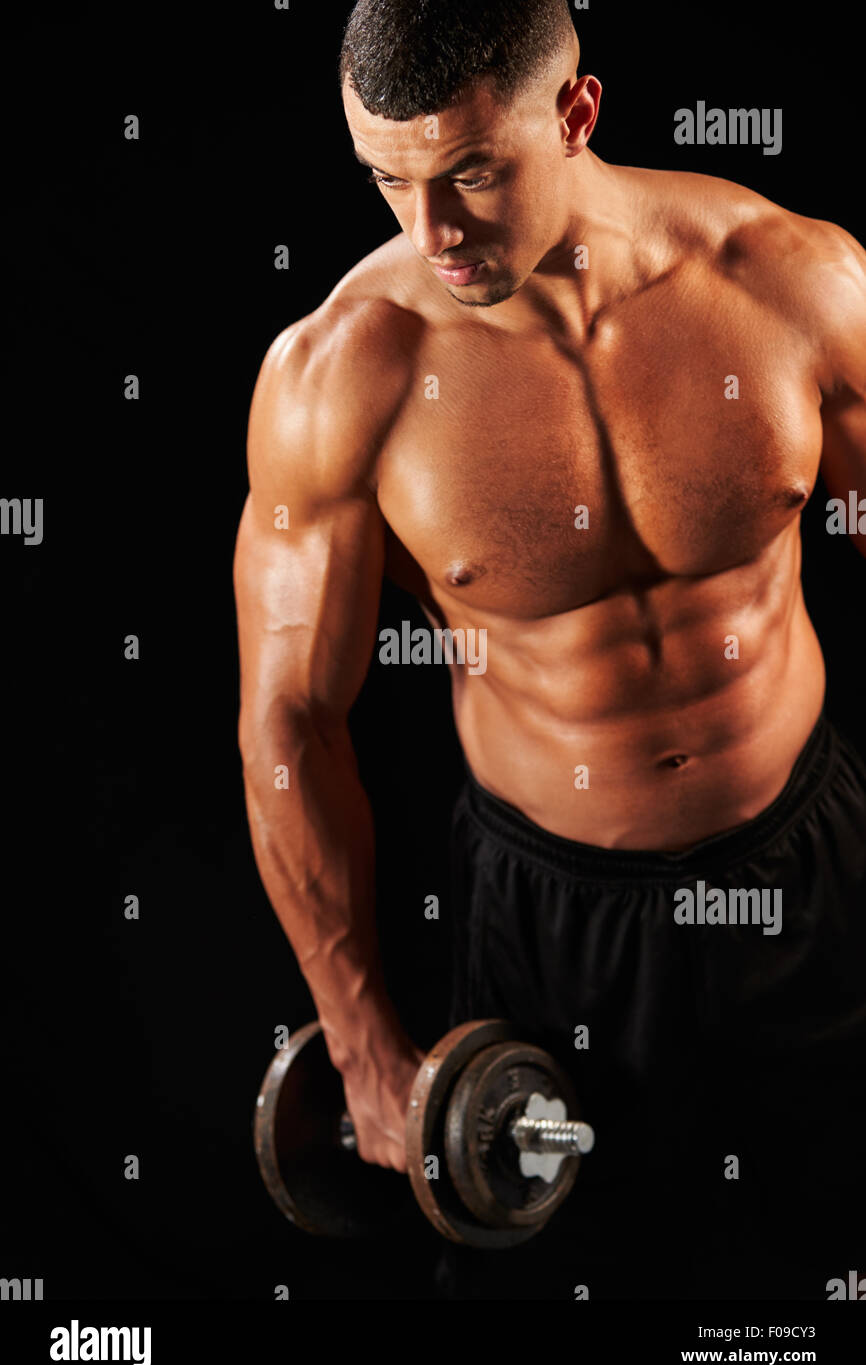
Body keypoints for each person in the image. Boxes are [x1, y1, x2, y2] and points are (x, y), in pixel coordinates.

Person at [234, 0, 866, 1296]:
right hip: (554, 918)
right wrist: (361, 1047)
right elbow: (289, 721)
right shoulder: (343, 377)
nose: (431, 232)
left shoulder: (791, 281)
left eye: (469, 172)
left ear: (574, 114)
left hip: (813, 865)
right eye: (387, 181)